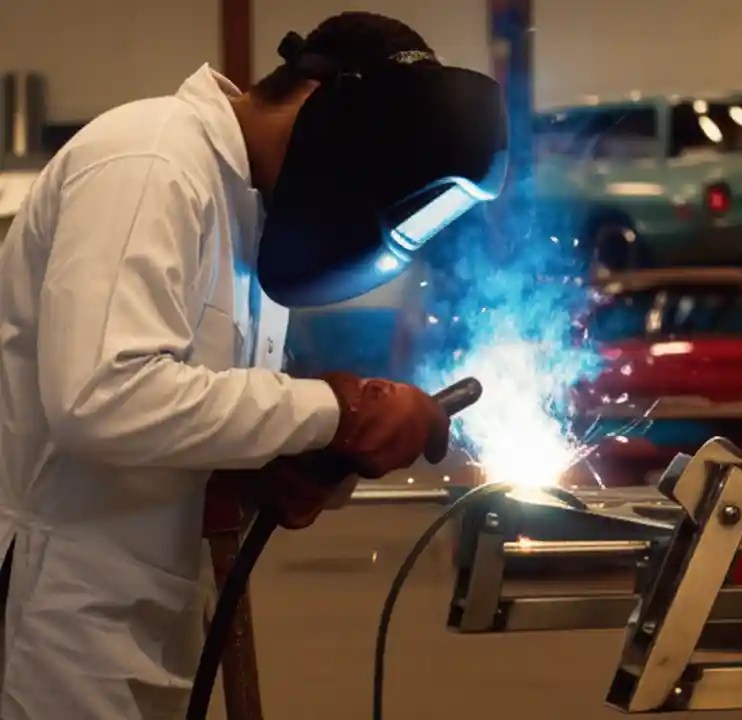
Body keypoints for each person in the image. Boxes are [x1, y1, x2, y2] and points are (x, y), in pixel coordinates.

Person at [0, 12, 506, 719]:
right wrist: (335, 412)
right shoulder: (150, 162)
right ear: (323, 107)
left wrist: (270, 462)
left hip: (153, 612)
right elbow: (101, 396)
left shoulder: (248, 212)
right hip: (56, 618)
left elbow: (185, 413)